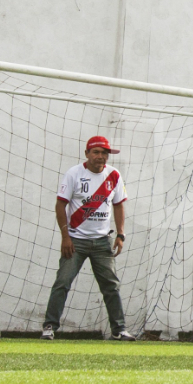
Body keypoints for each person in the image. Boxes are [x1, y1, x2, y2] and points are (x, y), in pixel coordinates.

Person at [41, 136, 135, 340]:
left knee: (111, 286)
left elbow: (118, 205)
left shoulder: (114, 175)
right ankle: (49, 327)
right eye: (96, 152)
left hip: (103, 241)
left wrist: (120, 234)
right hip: (75, 241)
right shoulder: (74, 174)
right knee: (62, 282)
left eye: (104, 153)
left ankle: (119, 330)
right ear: (87, 154)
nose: (101, 156)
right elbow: (60, 205)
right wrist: (65, 237)